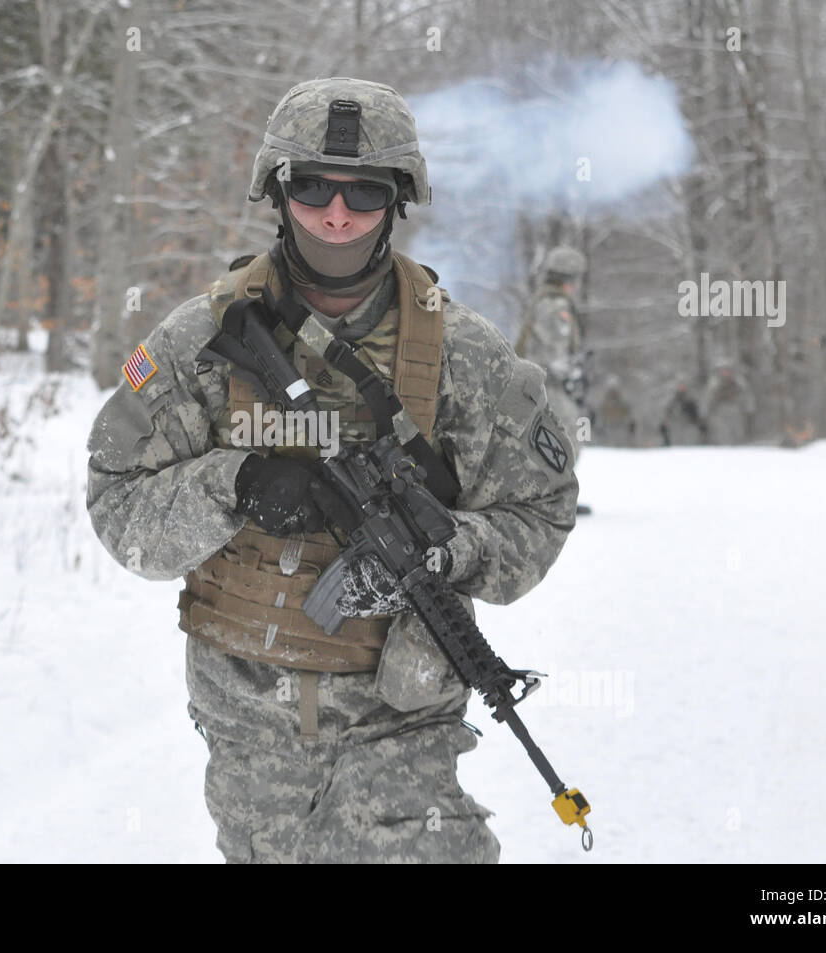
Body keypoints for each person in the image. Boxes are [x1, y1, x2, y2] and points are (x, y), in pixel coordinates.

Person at [86, 77, 579, 863]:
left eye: (365, 190)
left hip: (403, 713)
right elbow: (118, 507)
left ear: (399, 199)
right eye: (313, 185)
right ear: (279, 191)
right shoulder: (202, 342)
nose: (337, 211)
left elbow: (543, 508)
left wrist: (452, 547)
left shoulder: (465, 355)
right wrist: (235, 482)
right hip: (252, 722)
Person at [516, 245, 590, 512]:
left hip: (540, 381)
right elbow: (554, 349)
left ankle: (551, 497)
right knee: (567, 435)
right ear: (570, 278)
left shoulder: (545, 300)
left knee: (554, 437)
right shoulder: (555, 305)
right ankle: (551, 499)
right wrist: (572, 377)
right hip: (547, 383)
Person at [701, 359, 755, 446]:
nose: (725, 372)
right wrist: (705, 413)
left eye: (727, 370)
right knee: (721, 434)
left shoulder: (738, 382)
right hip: (719, 412)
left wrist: (749, 409)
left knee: (737, 433)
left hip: (735, 410)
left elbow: (747, 396)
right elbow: (708, 399)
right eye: (723, 370)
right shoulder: (714, 384)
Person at [658, 380, 707, 446]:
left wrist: (696, 417)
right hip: (677, 417)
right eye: (681, 386)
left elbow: (695, 409)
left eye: (683, 387)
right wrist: (668, 418)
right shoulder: (675, 397)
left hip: (690, 417)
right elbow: (670, 409)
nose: (682, 388)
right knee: (663, 425)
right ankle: (666, 442)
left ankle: (703, 441)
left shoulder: (690, 397)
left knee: (703, 425)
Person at [594, 375, 638, 447]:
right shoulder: (604, 400)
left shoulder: (622, 399)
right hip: (608, 427)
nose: (613, 389)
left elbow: (628, 412)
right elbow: (600, 412)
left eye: (614, 386)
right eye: (611, 387)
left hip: (620, 426)